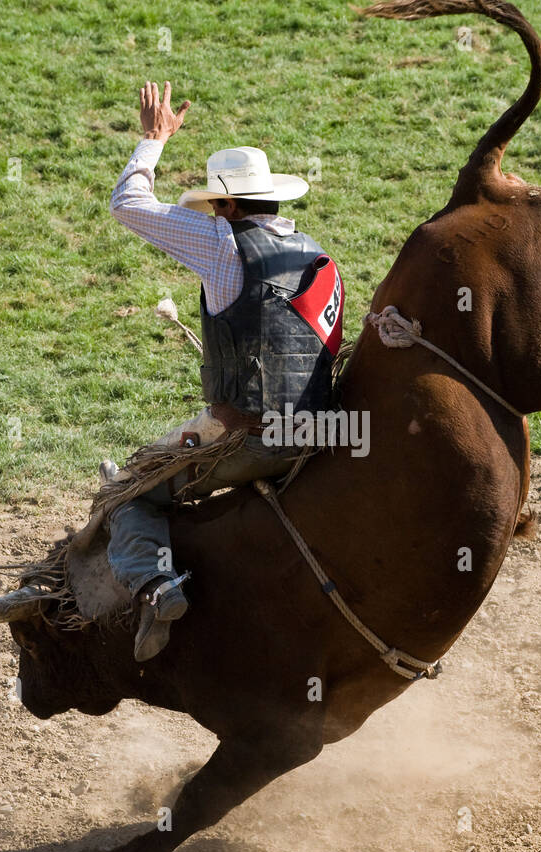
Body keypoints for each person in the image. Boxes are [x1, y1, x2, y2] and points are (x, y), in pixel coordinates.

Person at [106, 81, 345, 661]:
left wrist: (151, 141)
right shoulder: (319, 257)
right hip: (323, 435)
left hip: (250, 437)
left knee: (125, 493)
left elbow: (127, 205)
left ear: (226, 205)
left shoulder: (223, 243)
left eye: (216, 204)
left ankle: (158, 587)